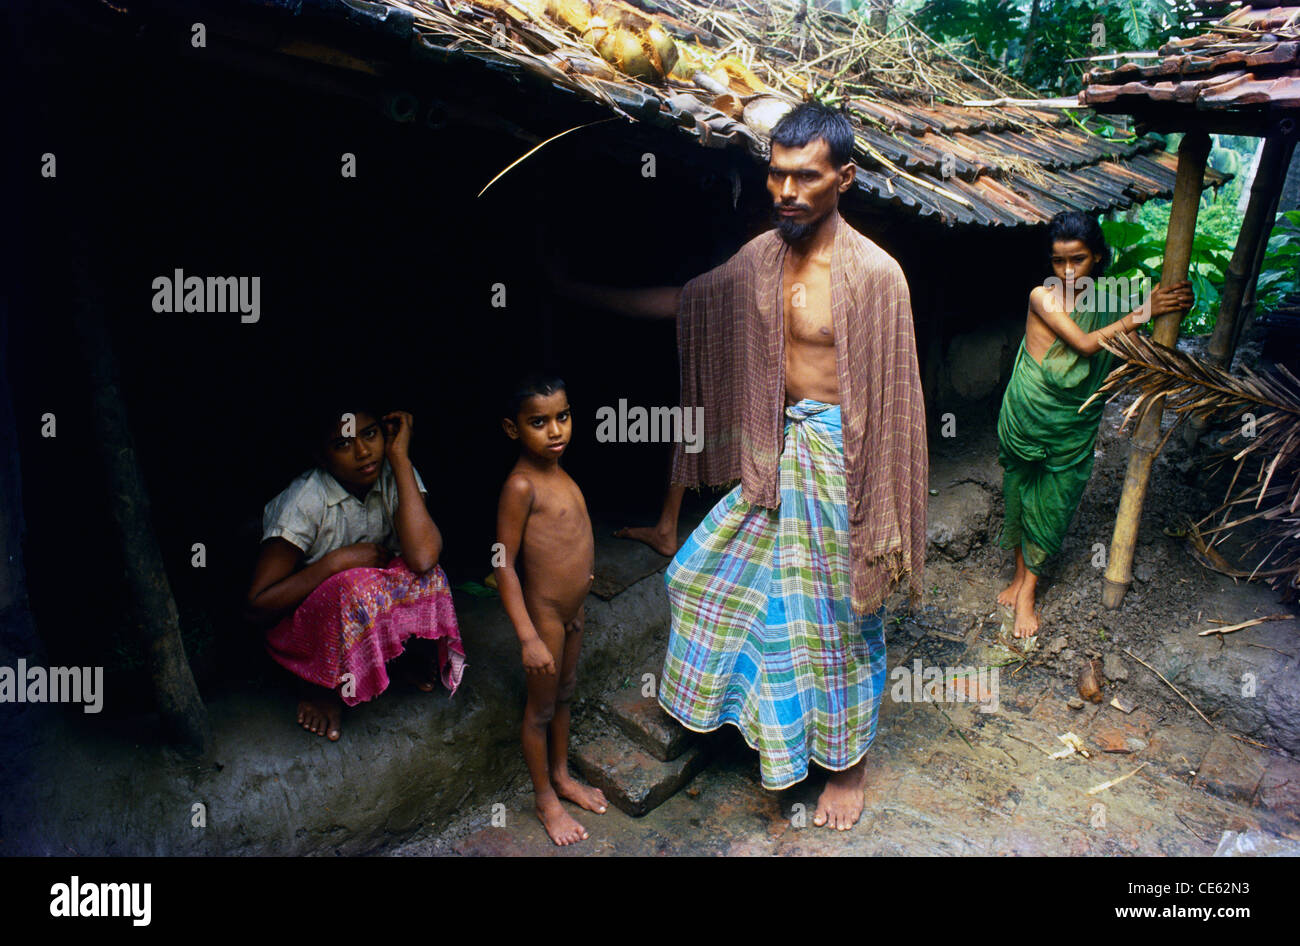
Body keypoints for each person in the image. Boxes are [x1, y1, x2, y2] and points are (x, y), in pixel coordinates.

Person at [552, 103, 928, 830]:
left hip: (839, 466)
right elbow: (690, 305)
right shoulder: (761, 257)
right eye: (777, 174)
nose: (786, 191)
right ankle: (741, 717)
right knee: (704, 576)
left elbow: (901, 407)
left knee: (840, 615)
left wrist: (879, 513)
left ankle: (848, 767)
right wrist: (574, 293)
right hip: (775, 455)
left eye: (806, 177)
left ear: (843, 178)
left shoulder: (878, 277)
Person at [996, 212, 1192, 638]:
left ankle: (1029, 590)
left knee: (1055, 501)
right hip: (1027, 412)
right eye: (1059, 261)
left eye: (1078, 260)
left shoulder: (1109, 300)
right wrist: (1145, 310)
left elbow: (1131, 343)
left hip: (1073, 420)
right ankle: (1018, 576)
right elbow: (1086, 345)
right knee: (1021, 491)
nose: (1067, 271)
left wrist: (1169, 306)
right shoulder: (1041, 296)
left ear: (1098, 258)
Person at [245, 406, 465, 741]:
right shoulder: (304, 501)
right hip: (303, 630)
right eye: (343, 444)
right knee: (351, 586)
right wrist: (334, 563)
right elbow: (258, 606)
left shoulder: (394, 471)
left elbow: (423, 557)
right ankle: (319, 684)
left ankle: (392, 659)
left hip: (359, 612)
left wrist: (400, 458)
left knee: (428, 576)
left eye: (370, 434)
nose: (363, 452)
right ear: (320, 455)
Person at [494, 375, 608, 846]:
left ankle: (562, 776)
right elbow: (502, 562)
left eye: (562, 417)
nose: (555, 430)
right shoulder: (521, 486)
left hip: (572, 612)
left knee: (564, 695)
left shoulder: (560, 473)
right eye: (538, 422)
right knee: (540, 711)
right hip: (544, 617)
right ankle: (545, 799)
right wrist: (527, 636)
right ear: (512, 429)